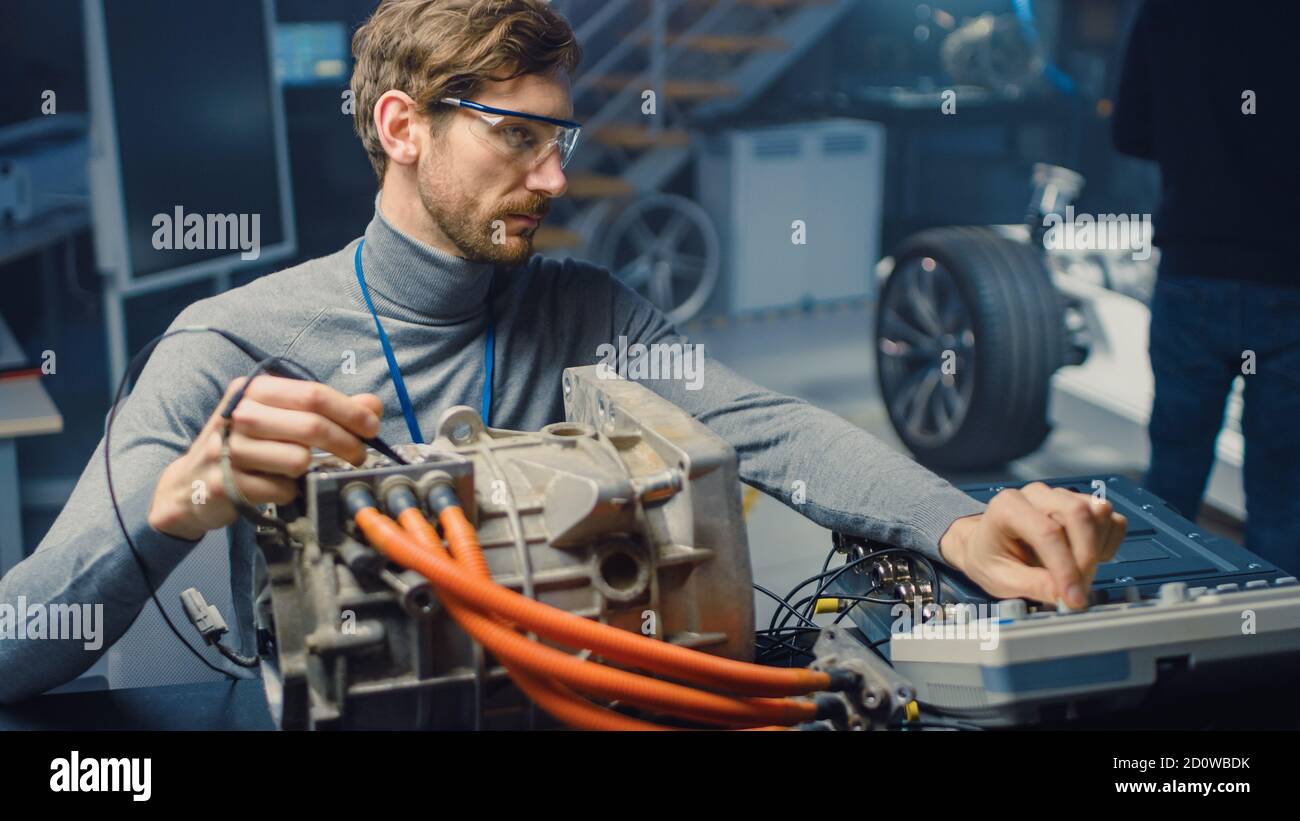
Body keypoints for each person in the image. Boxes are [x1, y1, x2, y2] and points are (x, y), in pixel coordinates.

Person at [0, 0, 1124, 703]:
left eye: (560, 138)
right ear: (402, 128)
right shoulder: (229, 345)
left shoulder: (586, 310)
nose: (553, 177)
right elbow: (23, 643)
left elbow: (771, 429)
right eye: (516, 137)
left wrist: (960, 522)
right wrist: (172, 503)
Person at [1113, 0, 1300, 575]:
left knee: (1172, 474)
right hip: (1287, 280)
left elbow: (1130, 131)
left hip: (1192, 271)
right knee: (1282, 489)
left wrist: (1196, 143)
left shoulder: (1165, 11)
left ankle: (1166, 628)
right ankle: (1271, 645)